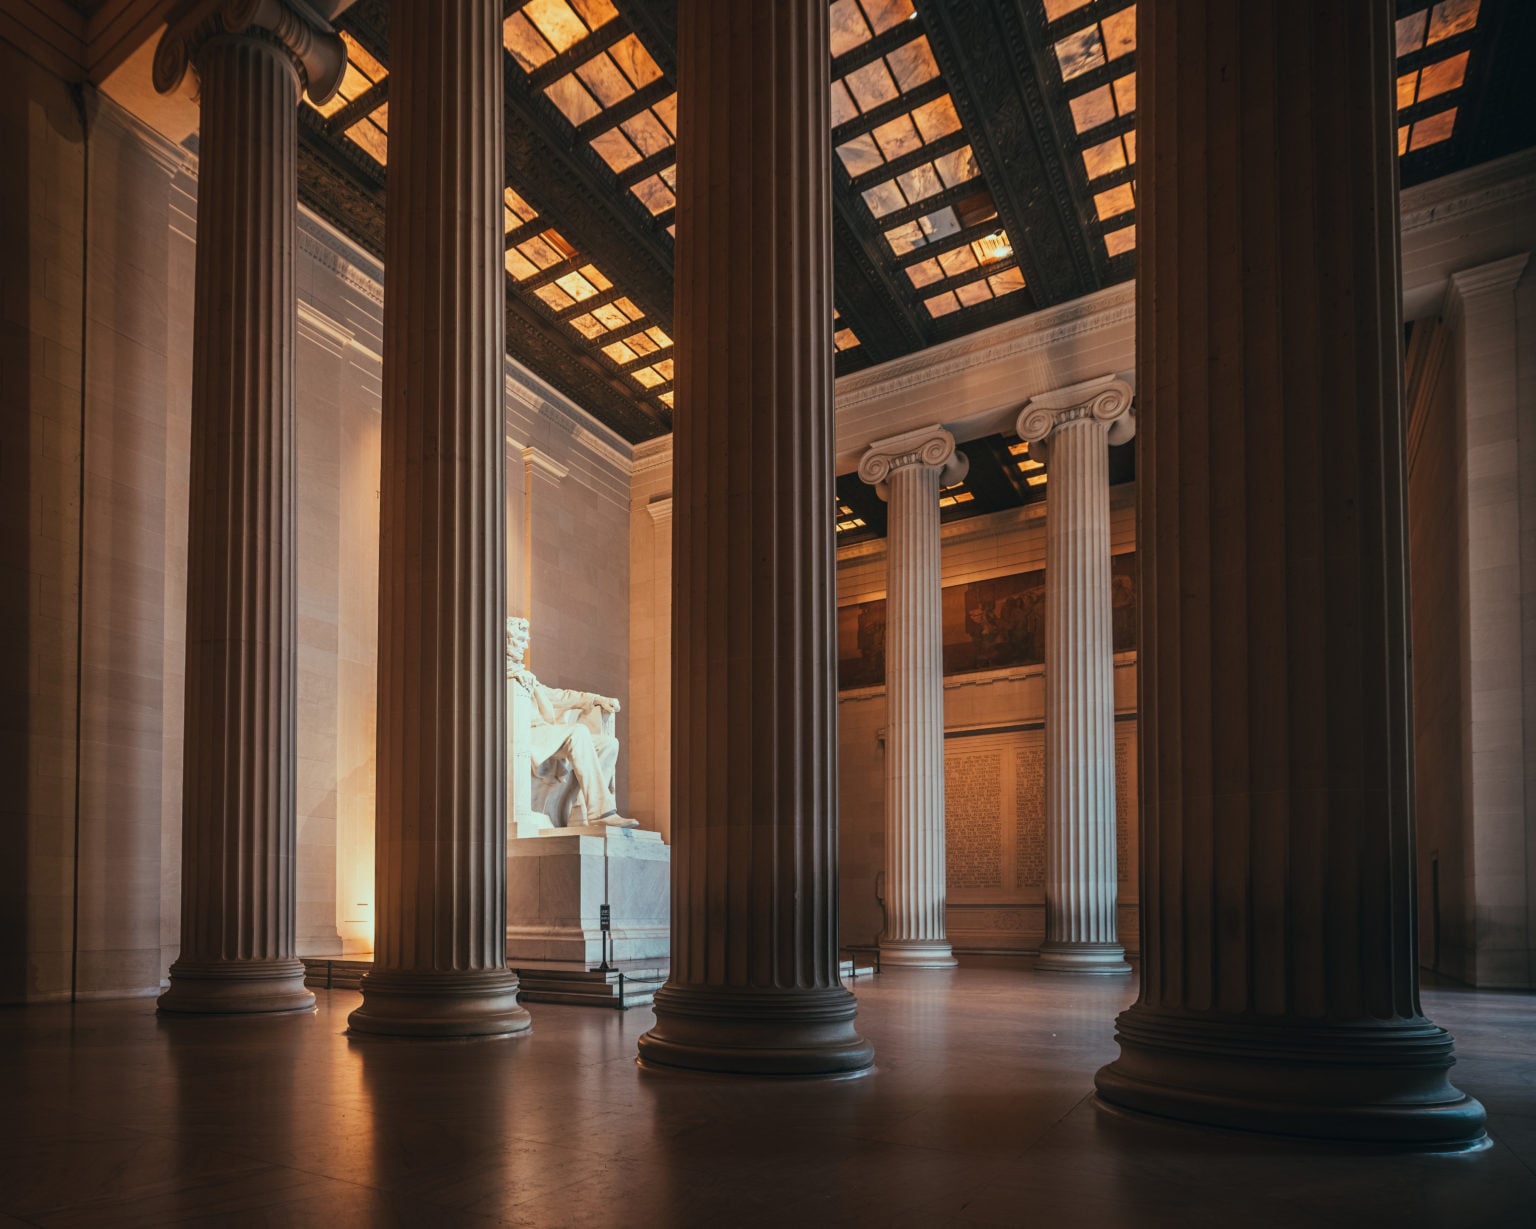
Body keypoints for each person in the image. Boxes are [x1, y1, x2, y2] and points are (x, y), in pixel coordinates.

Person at [505, 617, 635, 828]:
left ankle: (580, 816)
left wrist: (595, 699)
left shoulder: (526, 676)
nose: (524, 646)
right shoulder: (497, 674)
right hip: (522, 735)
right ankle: (601, 813)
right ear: (504, 640)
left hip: (546, 734)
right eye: (519, 640)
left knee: (608, 744)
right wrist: (510, 674)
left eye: (525, 640)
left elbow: (560, 696)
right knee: (578, 732)